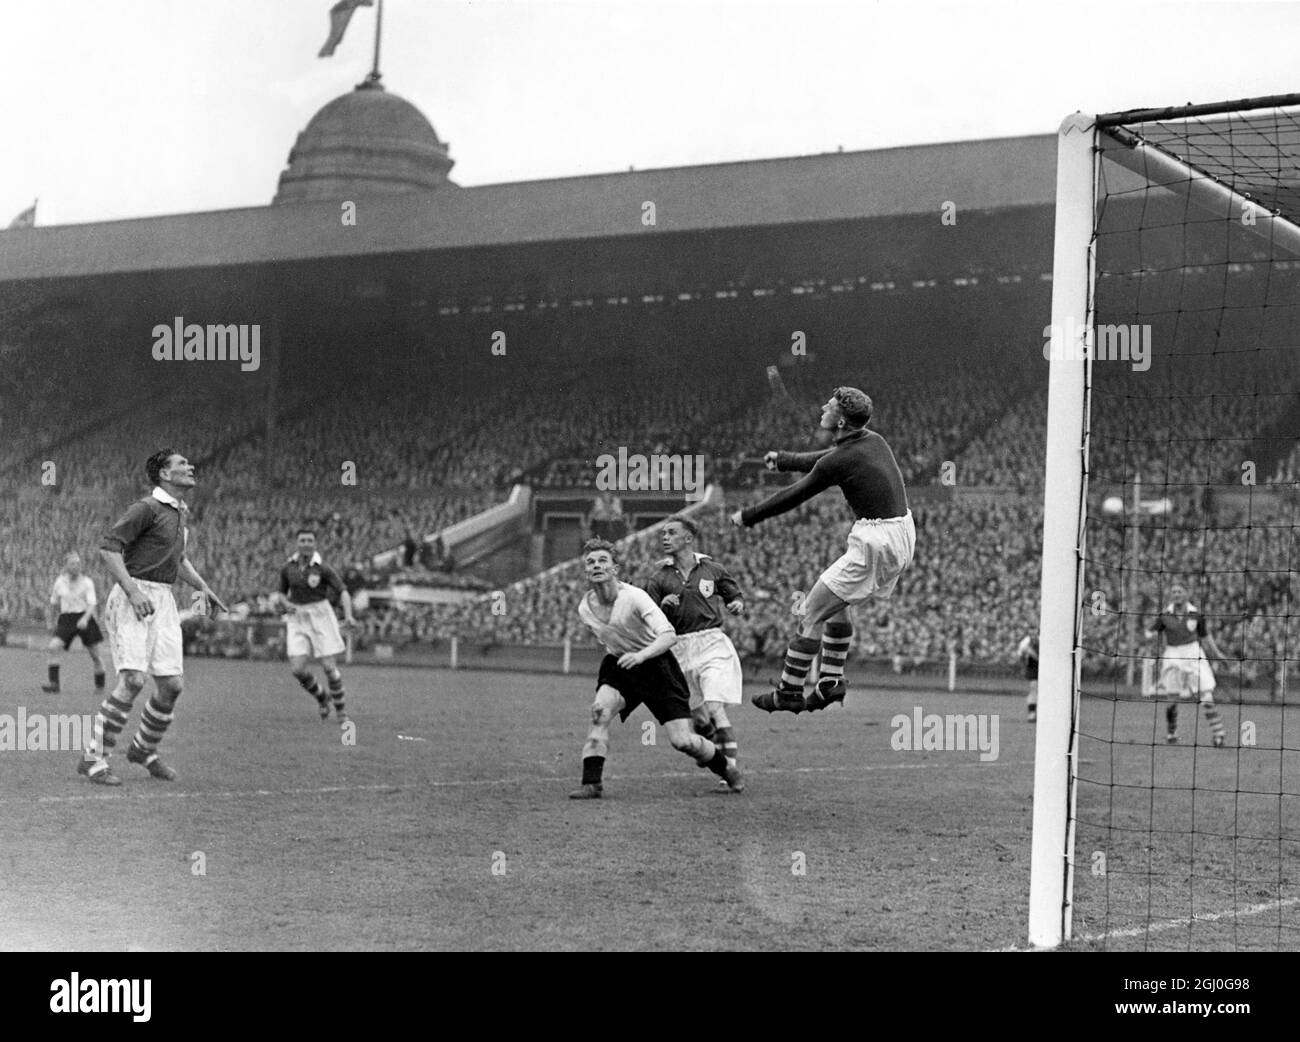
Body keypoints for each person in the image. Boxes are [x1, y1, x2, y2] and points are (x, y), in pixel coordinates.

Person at [729, 386, 914, 714]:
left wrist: (749, 516)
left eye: (829, 407)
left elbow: (795, 494)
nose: (822, 408)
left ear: (840, 422)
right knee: (837, 605)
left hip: (877, 540)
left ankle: (788, 692)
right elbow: (827, 460)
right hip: (899, 533)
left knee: (810, 612)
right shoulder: (874, 440)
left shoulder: (841, 458)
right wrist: (786, 460)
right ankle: (830, 682)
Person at [79, 449, 226, 786]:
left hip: (163, 599)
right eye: (181, 464)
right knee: (133, 680)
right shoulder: (146, 508)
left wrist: (204, 589)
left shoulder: (179, 513)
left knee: (172, 685)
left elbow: (180, 560)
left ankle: (143, 749)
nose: (190, 467)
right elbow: (108, 548)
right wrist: (133, 591)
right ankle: (94, 757)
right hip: (134, 596)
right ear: (164, 473)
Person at [570, 538, 743, 799]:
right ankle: (591, 783)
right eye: (591, 562)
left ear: (615, 569)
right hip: (620, 665)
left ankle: (726, 769)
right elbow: (614, 640)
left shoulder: (635, 597)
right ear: (585, 570)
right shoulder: (585, 608)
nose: (596, 565)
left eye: (602, 560)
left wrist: (640, 656)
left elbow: (668, 636)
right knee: (599, 712)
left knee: (683, 741)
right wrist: (628, 658)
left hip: (657, 666)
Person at [643, 515, 745, 776]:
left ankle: (729, 772)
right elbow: (648, 618)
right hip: (678, 649)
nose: (665, 537)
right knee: (699, 718)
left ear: (688, 538)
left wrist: (736, 604)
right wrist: (662, 607)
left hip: (712, 644)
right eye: (663, 533)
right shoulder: (659, 578)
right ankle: (711, 747)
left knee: (715, 708)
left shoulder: (713, 569)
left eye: (671, 532)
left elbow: (734, 596)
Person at [273, 529, 357, 726]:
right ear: (297, 543)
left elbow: (343, 591)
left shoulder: (323, 569)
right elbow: (281, 593)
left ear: (315, 544)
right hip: (297, 617)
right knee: (297, 669)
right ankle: (322, 697)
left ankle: (341, 712)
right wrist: (286, 604)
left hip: (320, 616)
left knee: (329, 667)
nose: (306, 544)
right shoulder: (288, 568)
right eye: (303, 540)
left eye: (310, 540)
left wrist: (349, 615)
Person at [1145, 582, 1228, 746]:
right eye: (1174, 591)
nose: (1176, 594)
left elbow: (1205, 636)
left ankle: (1219, 734)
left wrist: (1218, 654)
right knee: (1172, 698)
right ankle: (1172, 733)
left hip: (1193, 653)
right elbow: (1151, 632)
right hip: (1172, 655)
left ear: (1187, 594)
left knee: (1206, 695)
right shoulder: (1164, 615)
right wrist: (1150, 638)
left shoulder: (1196, 614)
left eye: (1179, 591)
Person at [41, 552, 106, 695]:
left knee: (95, 655)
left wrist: (85, 619)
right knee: (53, 647)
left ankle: (100, 687)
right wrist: (50, 621)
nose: (76, 566)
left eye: (78, 563)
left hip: (85, 617)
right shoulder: (60, 582)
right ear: (66, 566)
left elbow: (92, 604)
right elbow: (53, 603)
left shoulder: (87, 582)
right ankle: (54, 685)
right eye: (72, 563)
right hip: (67, 619)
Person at [1017, 634, 1039, 722]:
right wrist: (1023, 668)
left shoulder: (1048, 637)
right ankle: (1032, 713)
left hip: (1047, 664)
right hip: (1034, 666)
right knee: (1034, 688)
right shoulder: (1025, 642)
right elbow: (1020, 655)